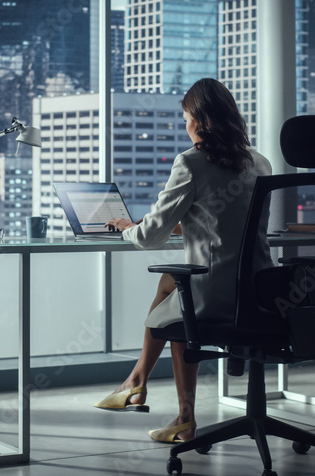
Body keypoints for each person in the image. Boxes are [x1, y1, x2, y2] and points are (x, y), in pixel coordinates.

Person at [93, 77, 274, 444]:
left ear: (201, 121)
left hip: (218, 296)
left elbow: (148, 238)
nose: (186, 126)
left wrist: (128, 227)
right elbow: (228, 219)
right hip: (260, 291)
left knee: (180, 312)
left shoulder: (191, 162)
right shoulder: (260, 162)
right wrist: (185, 223)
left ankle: (177, 413)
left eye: (187, 119)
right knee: (169, 286)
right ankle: (139, 381)